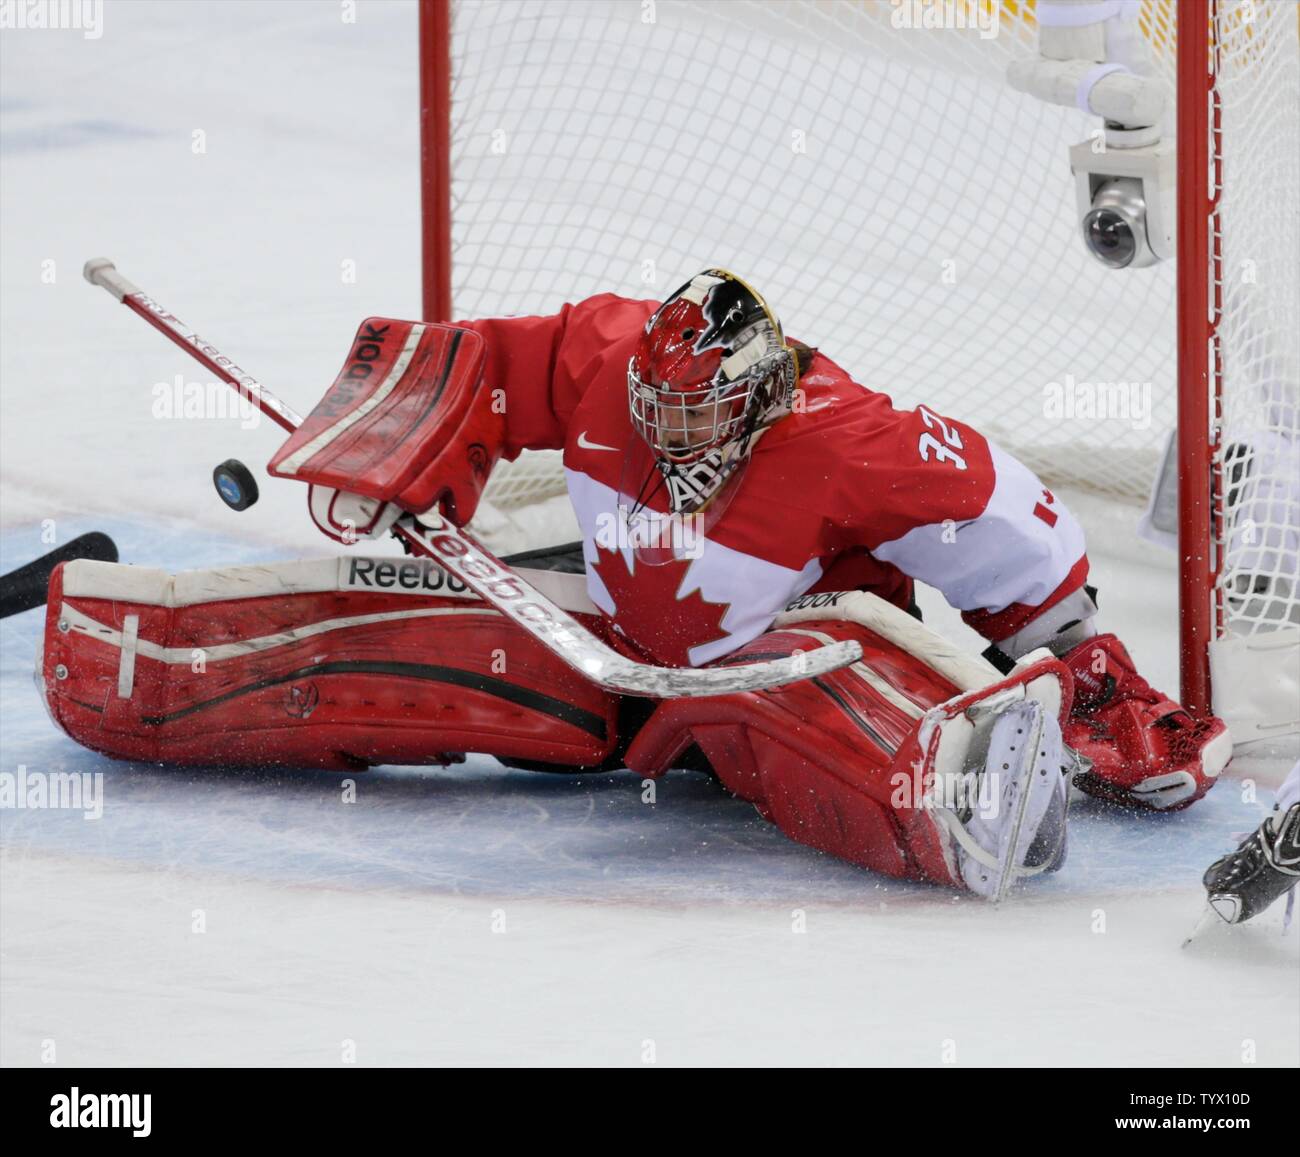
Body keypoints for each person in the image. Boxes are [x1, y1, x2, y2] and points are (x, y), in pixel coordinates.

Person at [39, 270, 1232, 899]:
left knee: (814, 684)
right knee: (420, 638)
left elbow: (1007, 530)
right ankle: (130, 662)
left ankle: (966, 781)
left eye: (700, 414)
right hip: (617, 661)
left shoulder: (852, 436)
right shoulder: (609, 360)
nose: (670, 437)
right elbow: (475, 370)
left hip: (775, 667)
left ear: (763, 391)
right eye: (656, 413)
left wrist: (1087, 671)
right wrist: (409, 465)